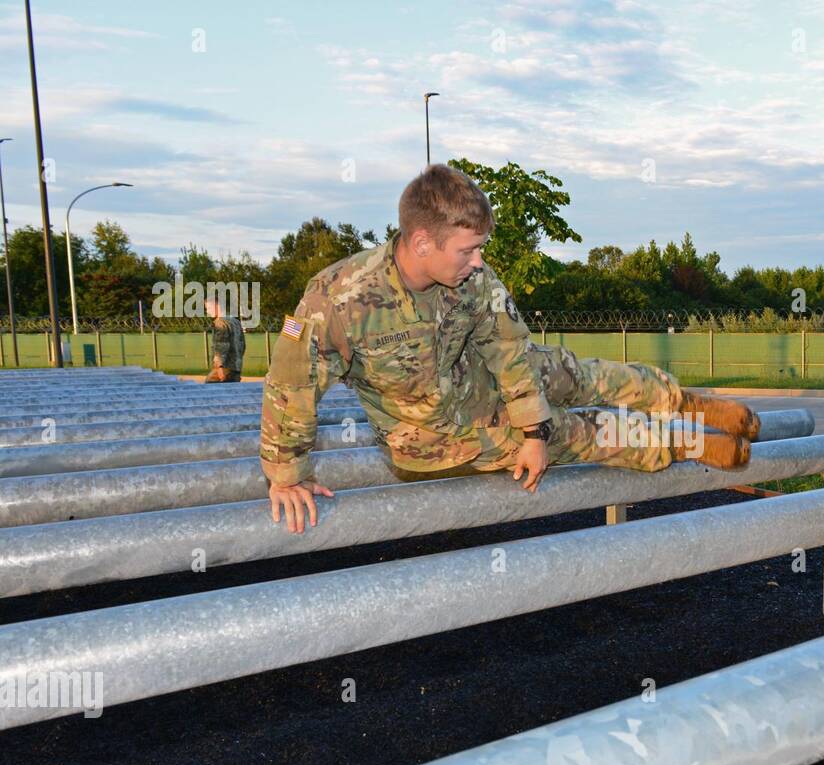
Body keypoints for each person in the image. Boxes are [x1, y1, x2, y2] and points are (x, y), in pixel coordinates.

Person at [260, 163, 759, 533]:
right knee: (580, 431)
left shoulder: (473, 278)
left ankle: (680, 401)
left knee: (568, 371)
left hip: (481, 378)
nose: (479, 262)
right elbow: (290, 383)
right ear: (422, 243)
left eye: (481, 248)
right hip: (436, 437)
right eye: (468, 249)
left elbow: (508, 349)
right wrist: (287, 475)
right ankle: (683, 443)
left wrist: (532, 426)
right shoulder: (337, 298)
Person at [205, 296, 245, 383]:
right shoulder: (235, 321)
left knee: (208, 389)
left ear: (216, 306)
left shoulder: (220, 323)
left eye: (208, 308)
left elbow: (221, 346)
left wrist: (219, 367)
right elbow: (242, 345)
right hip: (236, 367)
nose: (207, 311)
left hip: (225, 368)